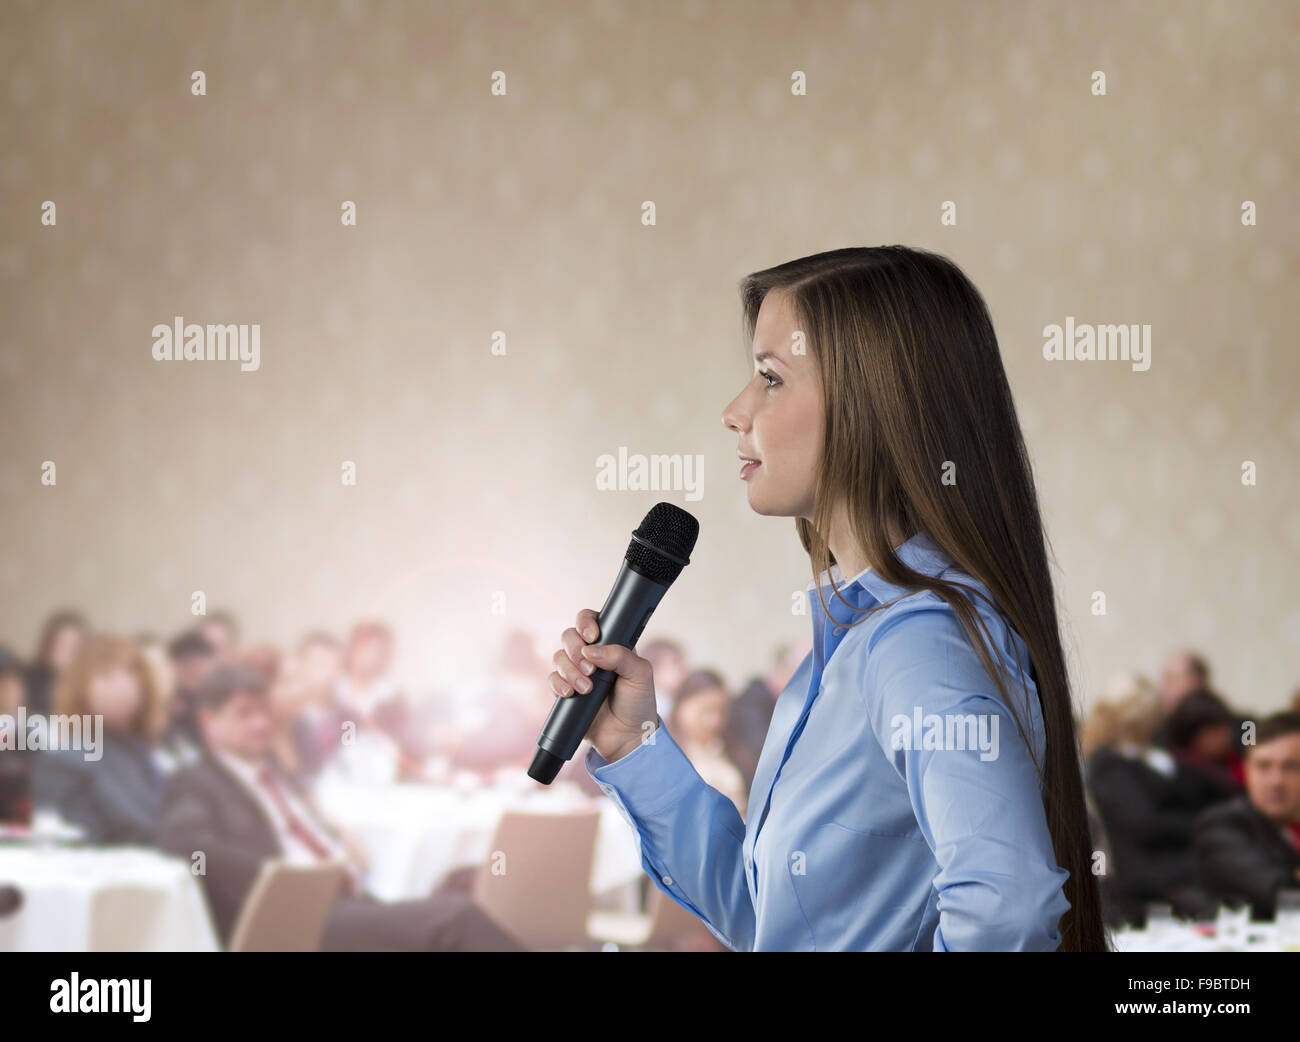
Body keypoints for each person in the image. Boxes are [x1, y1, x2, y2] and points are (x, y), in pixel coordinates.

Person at [547, 247, 1107, 951]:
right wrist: (631, 742)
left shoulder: (917, 644)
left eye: (770, 378)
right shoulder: (851, 646)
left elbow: (1008, 909)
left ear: (874, 404)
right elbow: (770, 922)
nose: (734, 410)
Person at [156, 665, 527, 951]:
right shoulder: (196, 780)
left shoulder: (273, 773)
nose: (260, 723)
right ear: (208, 721)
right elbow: (186, 844)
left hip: (344, 900)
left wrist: (336, 837)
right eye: (244, 713)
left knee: (463, 884)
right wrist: (292, 880)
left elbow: (302, 827)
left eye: (264, 712)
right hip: (294, 921)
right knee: (456, 919)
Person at [1082, 673, 1217, 925]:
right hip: (1149, 874)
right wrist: (1202, 823)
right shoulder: (1110, 765)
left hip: (1177, 863)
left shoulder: (1156, 757)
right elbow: (1145, 824)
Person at [30, 635, 168, 844]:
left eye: (131, 674)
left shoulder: (143, 755)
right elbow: (79, 845)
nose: (123, 686)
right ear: (81, 689)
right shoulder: (67, 760)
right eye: (107, 675)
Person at [1194, 712, 1300, 919]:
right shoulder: (1222, 824)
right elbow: (1280, 895)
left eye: (1290, 767)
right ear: (1246, 770)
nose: (1276, 781)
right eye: (1264, 766)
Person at [668, 669, 748, 820]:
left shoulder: (729, 749)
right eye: (705, 711)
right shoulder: (666, 753)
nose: (714, 721)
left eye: (721, 712)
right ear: (681, 706)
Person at [23, 609, 89, 717]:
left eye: (74, 648)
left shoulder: (86, 686)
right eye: (62, 645)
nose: (67, 653)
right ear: (48, 645)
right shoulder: (26, 681)